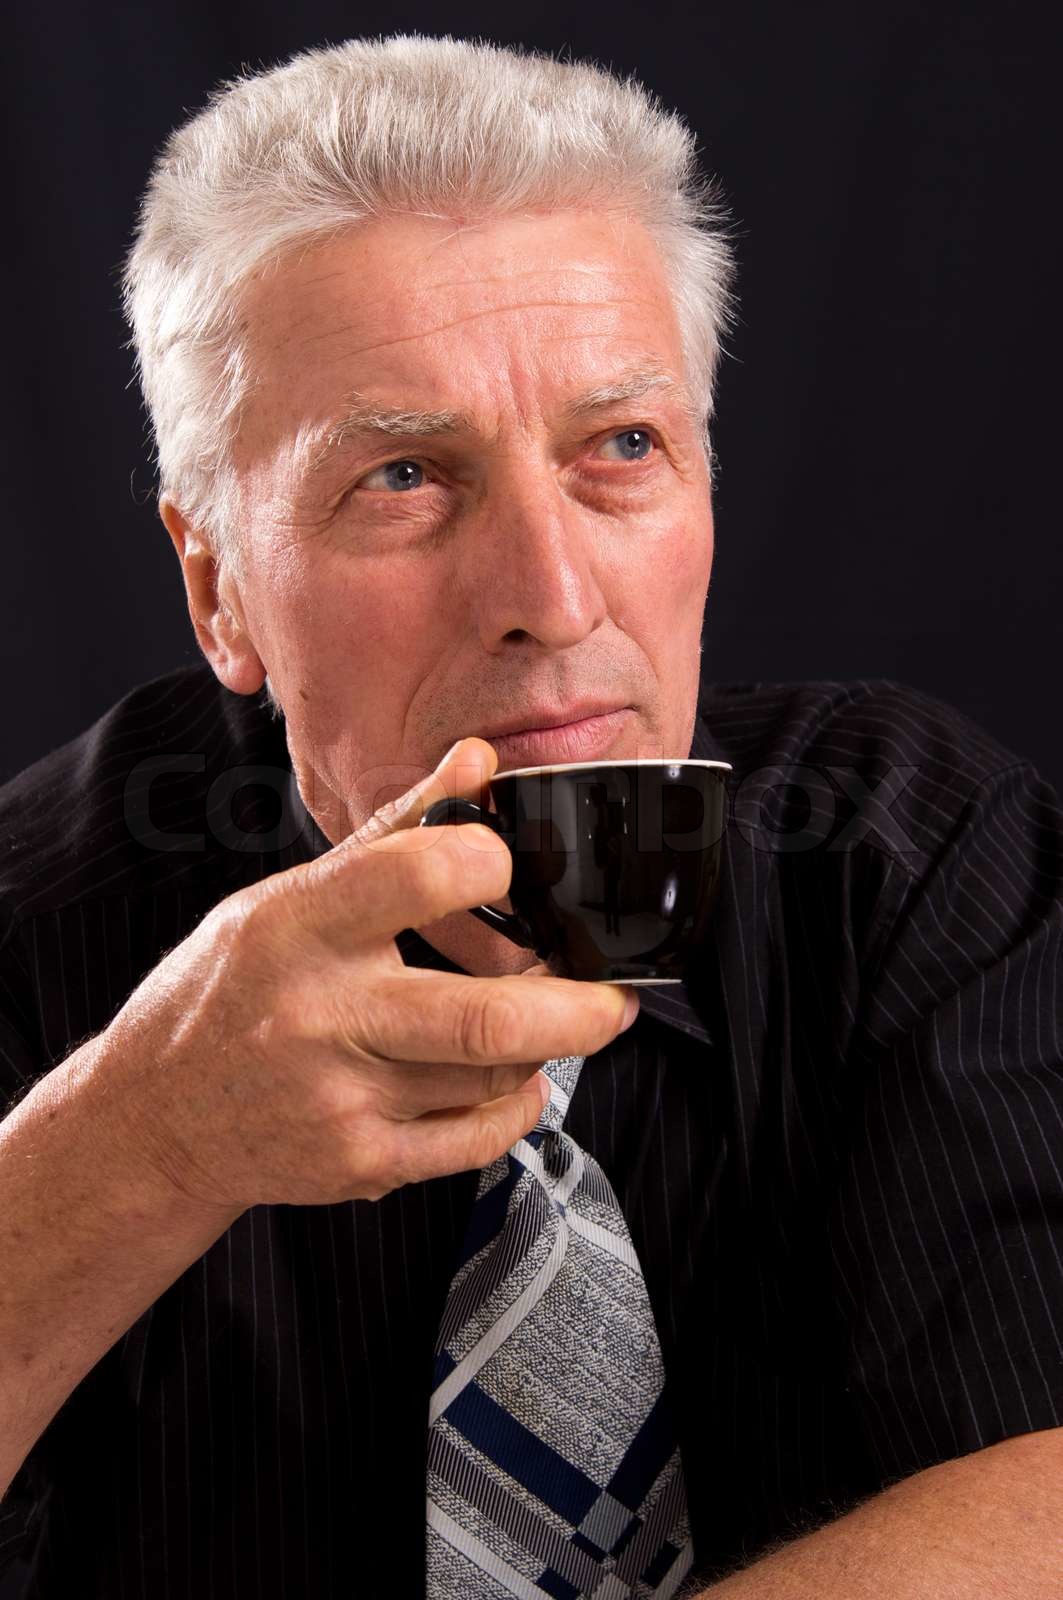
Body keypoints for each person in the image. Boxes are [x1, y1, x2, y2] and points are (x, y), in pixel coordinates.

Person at [0, 32, 1060, 1600]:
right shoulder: (32, 924)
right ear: (219, 585)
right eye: (408, 476)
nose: (551, 600)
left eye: (618, 449)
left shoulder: (915, 854)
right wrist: (143, 1140)